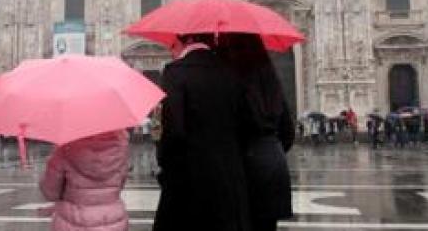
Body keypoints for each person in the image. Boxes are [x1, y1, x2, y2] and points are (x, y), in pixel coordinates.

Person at [153, 33, 250, 231]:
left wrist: (164, 163)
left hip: (188, 181)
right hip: (229, 179)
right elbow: (244, 125)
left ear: (187, 40)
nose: (172, 49)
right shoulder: (231, 70)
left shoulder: (175, 72)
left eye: (174, 44)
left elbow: (173, 130)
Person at [221, 33, 294, 231]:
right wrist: (268, 149)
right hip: (273, 164)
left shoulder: (230, 79)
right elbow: (288, 133)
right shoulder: (271, 81)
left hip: (242, 170)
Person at [40, 129, 130, 231]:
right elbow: (121, 184)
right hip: (112, 219)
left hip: (73, 221)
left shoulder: (66, 148)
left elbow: (50, 193)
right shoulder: (120, 146)